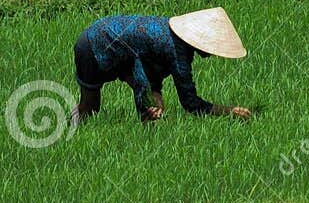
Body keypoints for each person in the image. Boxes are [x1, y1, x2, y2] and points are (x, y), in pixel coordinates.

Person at [72, 7, 253, 124]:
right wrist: (229, 111)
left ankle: (145, 137)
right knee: (90, 107)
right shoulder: (177, 50)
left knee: (151, 107)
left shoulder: (173, 37)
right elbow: (190, 103)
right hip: (94, 44)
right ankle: (67, 128)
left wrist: (155, 93)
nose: (214, 53)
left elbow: (146, 61)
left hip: (111, 44)